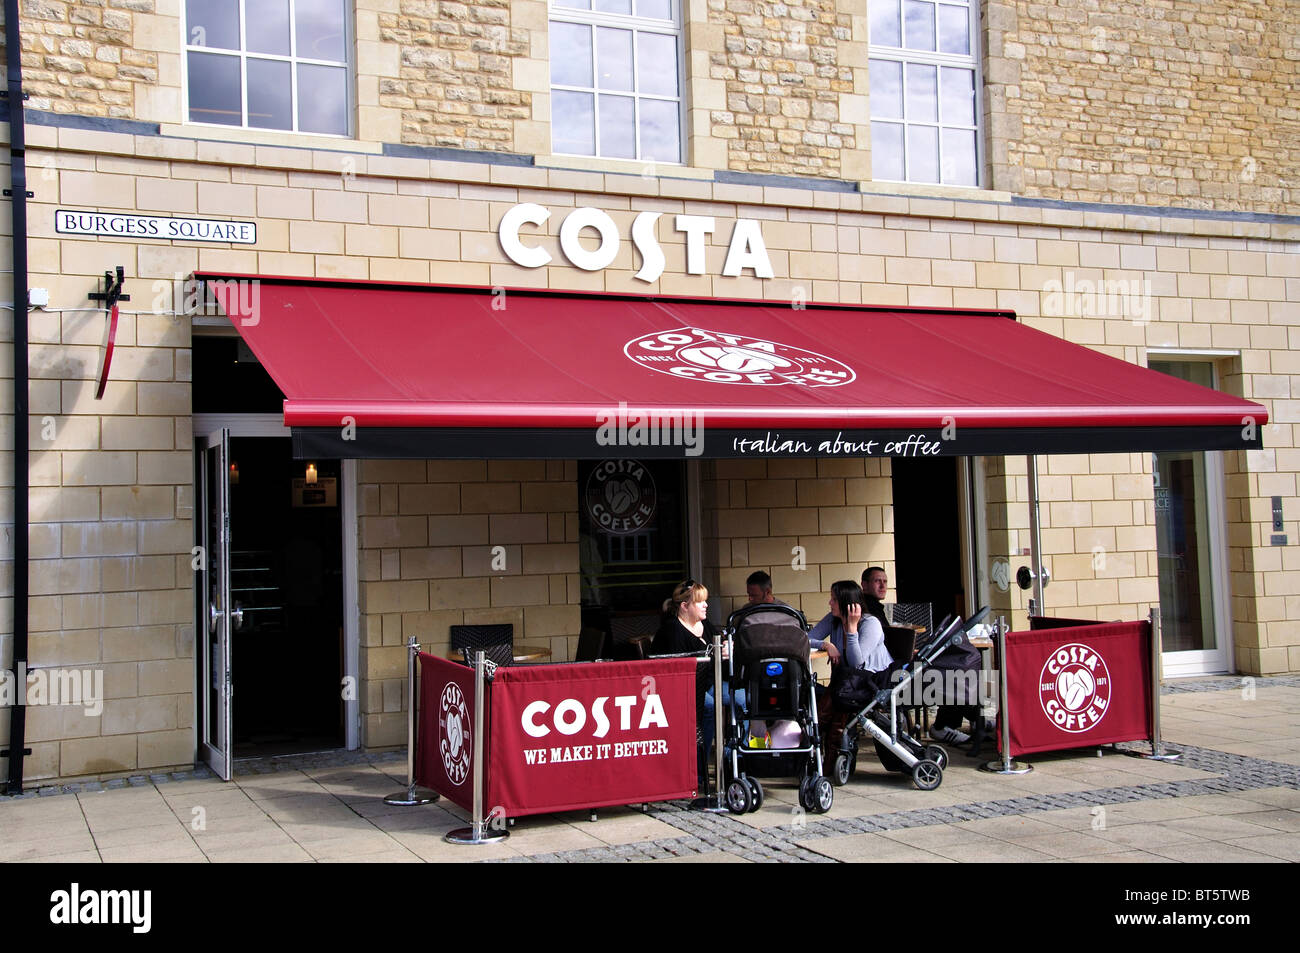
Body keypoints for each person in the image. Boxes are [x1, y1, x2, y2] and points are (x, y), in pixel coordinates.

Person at [809, 579, 892, 673]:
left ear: (847, 603)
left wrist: (851, 629)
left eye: (834, 599)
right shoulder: (833, 618)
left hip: (875, 682)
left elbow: (856, 663)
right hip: (847, 684)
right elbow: (805, 640)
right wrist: (825, 645)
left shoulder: (871, 623)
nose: (830, 602)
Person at [860, 566, 891, 633]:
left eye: (885, 581)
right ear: (864, 585)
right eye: (877, 581)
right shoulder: (866, 607)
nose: (882, 586)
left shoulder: (875, 606)